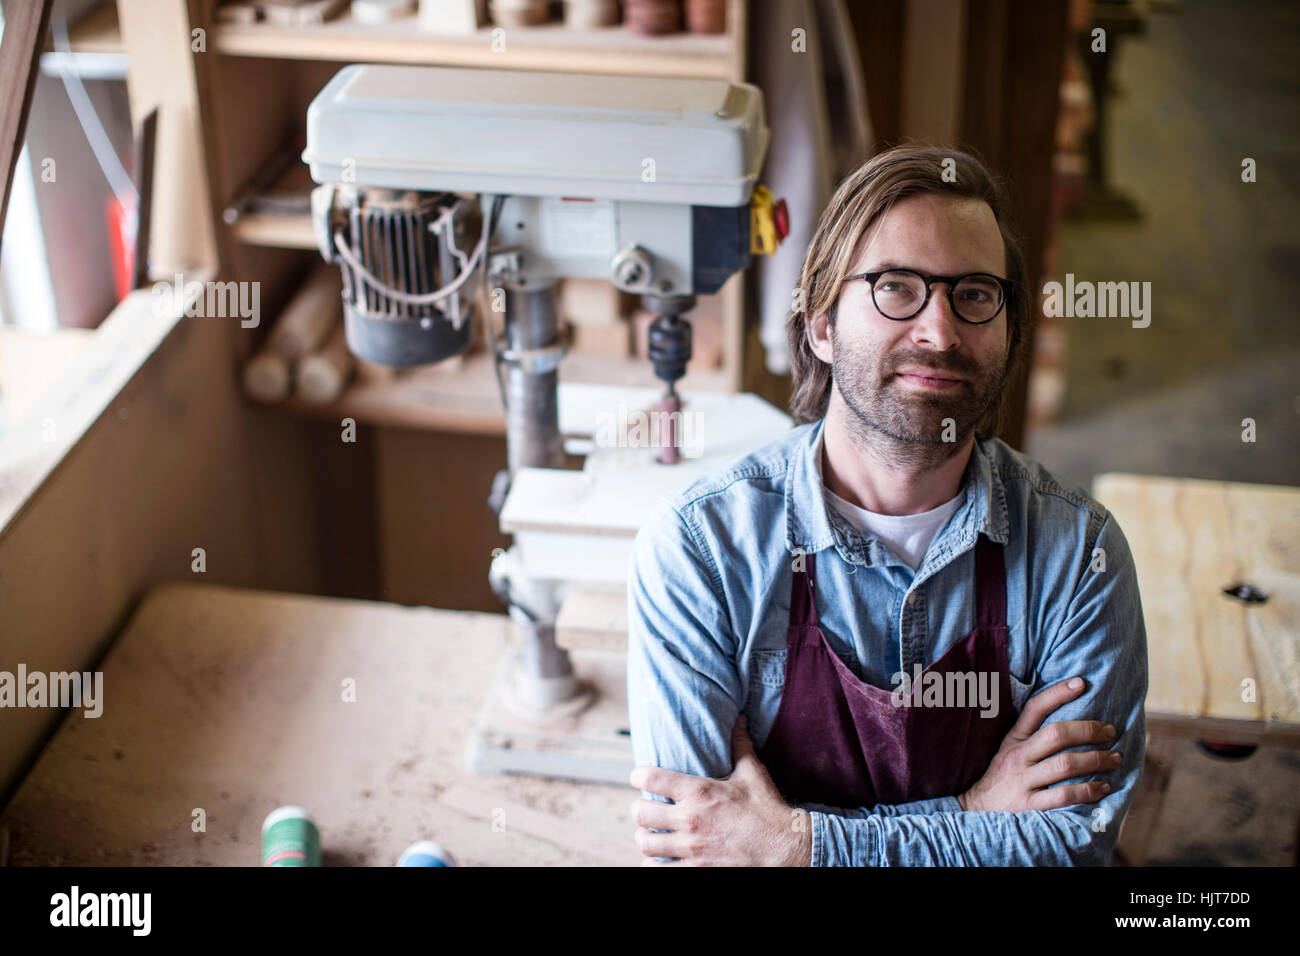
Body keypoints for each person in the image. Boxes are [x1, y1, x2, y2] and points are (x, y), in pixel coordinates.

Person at [626, 145, 1148, 866]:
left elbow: (1072, 848)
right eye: (897, 287)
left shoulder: (1078, 554)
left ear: (1008, 331)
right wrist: (975, 815)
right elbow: (700, 853)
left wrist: (798, 846)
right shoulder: (703, 548)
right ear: (821, 325)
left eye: (973, 294)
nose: (938, 332)